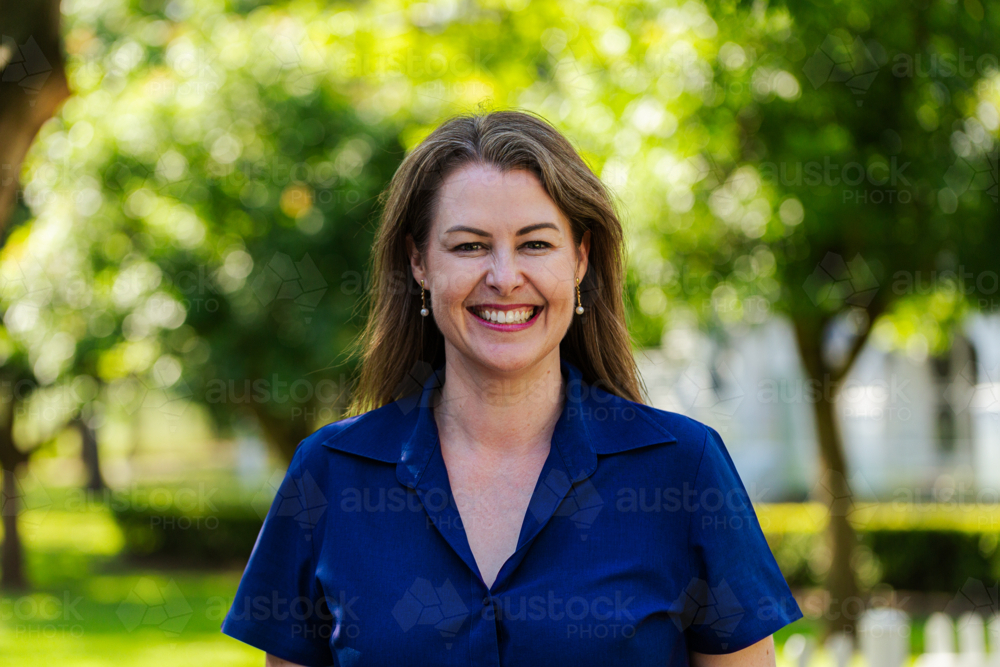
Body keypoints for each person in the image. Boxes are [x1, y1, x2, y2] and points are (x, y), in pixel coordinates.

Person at [220, 109, 803, 666]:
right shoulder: (328, 473)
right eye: (469, 246)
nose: (503, 277)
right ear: (419, 262)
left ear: (580, 259)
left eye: (535, 244)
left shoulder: (685, 470)